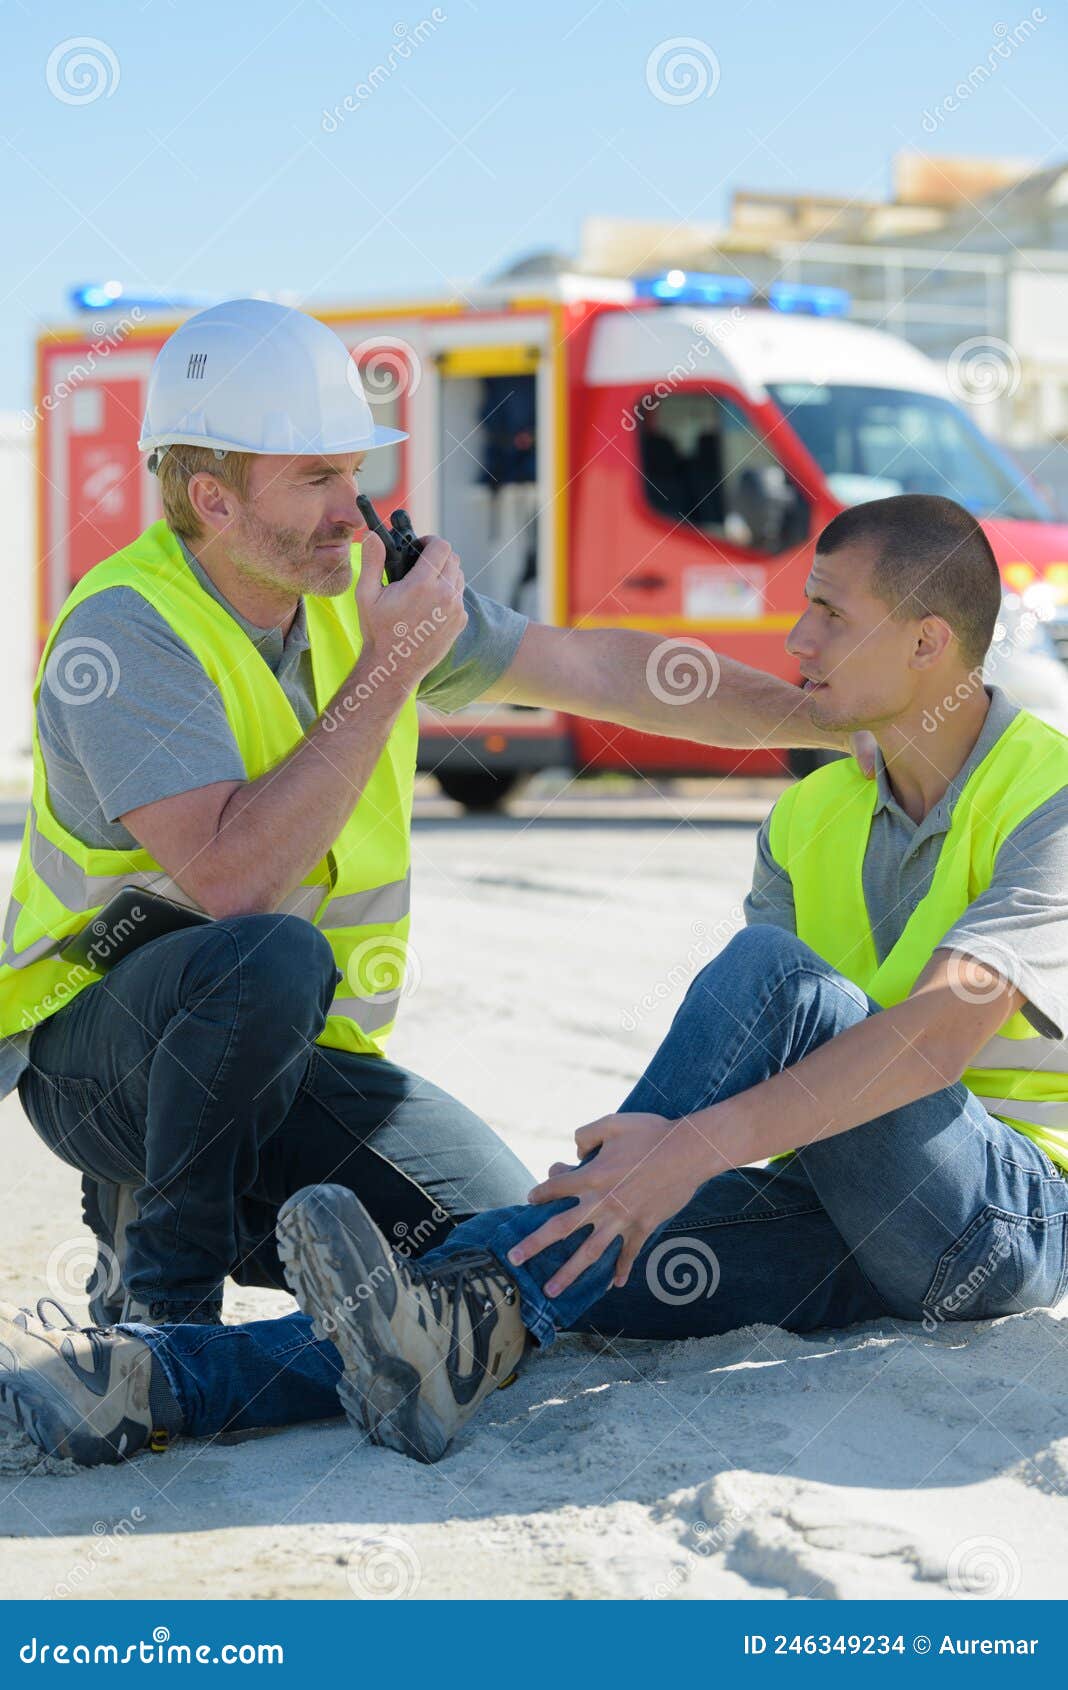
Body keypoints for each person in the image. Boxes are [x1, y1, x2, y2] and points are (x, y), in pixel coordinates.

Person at [4, 491, 1065, 1470]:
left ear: (930, 643)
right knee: (550, 1260)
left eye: (831, 615)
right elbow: (605, 675)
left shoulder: (1049, 790)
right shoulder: (804, 818)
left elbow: (934, 1038)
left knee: (768, 986)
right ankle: (162, 1381)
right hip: (836, 1213)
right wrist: (630, 1197)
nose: (796, 641)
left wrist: (681, 1152)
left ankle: (473, 1298)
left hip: (1001, 1216)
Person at [0, 298, 846, 1331]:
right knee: (266, 954)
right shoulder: (128, 630)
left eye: (356, 472)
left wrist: (829, 721)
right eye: (317, 479)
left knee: (501, 1229)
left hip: (290, 1058)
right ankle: (163, 1312)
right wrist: (394, 663)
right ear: (214, 500)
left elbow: (592, 667)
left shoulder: (355, 591)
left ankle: (240, 1224)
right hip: (101, 1061)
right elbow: (232, 883)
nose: (354, 511)